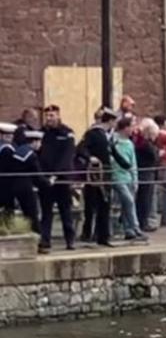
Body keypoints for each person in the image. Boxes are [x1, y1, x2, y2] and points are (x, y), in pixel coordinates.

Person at [38, 105, 77, 251]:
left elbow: (67, 157)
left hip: (61, 179)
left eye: (52, 116)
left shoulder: (67, 133)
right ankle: (45, 241)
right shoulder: (41, 133)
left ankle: (70, 240)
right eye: (47, 116)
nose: (49, 119)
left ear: (58, 116)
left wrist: (57, 174)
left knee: (65, 210)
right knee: (46, 211)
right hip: (46, 179)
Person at [80, 108, 117, 246]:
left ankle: (103, 236)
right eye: (114, 122)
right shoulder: (93, 133)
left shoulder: (108, 136)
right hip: (95, 174)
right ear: (110, 121)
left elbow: (113, 152)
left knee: (105, 204)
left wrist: (126, 165)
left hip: (106, 174)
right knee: (91, 205)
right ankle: (88, 232)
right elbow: (81, 149)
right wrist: (90, 158)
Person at [110, 118, 143, 241]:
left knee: (126, 204)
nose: (133, 130)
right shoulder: (113, 140)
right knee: (128, 201)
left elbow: (133, 163)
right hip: (116, 176)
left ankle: (128, 230)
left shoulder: (129, 143)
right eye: (131, 127)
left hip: (128, 177)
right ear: (125, 128)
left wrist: (135, 179)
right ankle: (135, 226)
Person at [133, 119, 160, 233]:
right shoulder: (145, 144)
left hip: (147, 174)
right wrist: (158, 153)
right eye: (154, 134)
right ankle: (142, 223)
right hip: (145, 174)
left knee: (145, 200)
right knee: (144, 201)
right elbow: (154, 157)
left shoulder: (144, 143)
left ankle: (143, 221)